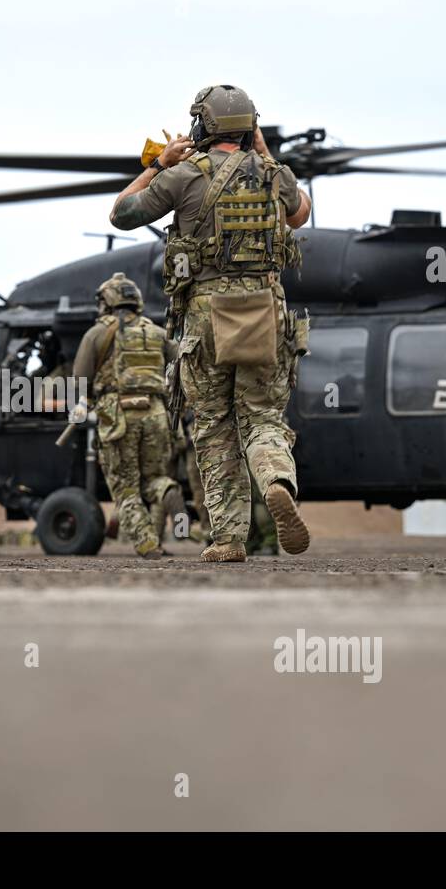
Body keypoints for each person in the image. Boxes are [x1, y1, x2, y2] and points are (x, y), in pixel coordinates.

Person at [109, 84, 312, 561]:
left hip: (206, 320)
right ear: (250, 128)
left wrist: (158, 165)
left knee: (214, 424)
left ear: (203, 127)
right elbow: (301, 214)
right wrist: (263, 152)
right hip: (266, 312)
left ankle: (227, 539)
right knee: (262, 417)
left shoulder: (183, 177)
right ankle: (277, 482)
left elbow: (121, 214)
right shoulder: (272, 175)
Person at [71, 273, 184, 559]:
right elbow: (183, 363)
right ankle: (168, 491)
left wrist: (89, 402)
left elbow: (80, 379)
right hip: (156, 412)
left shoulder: (97, 333)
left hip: (118, 414)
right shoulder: (156, 332)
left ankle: (147, 545)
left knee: (126, 488)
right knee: (154, 478)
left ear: (106, 302)